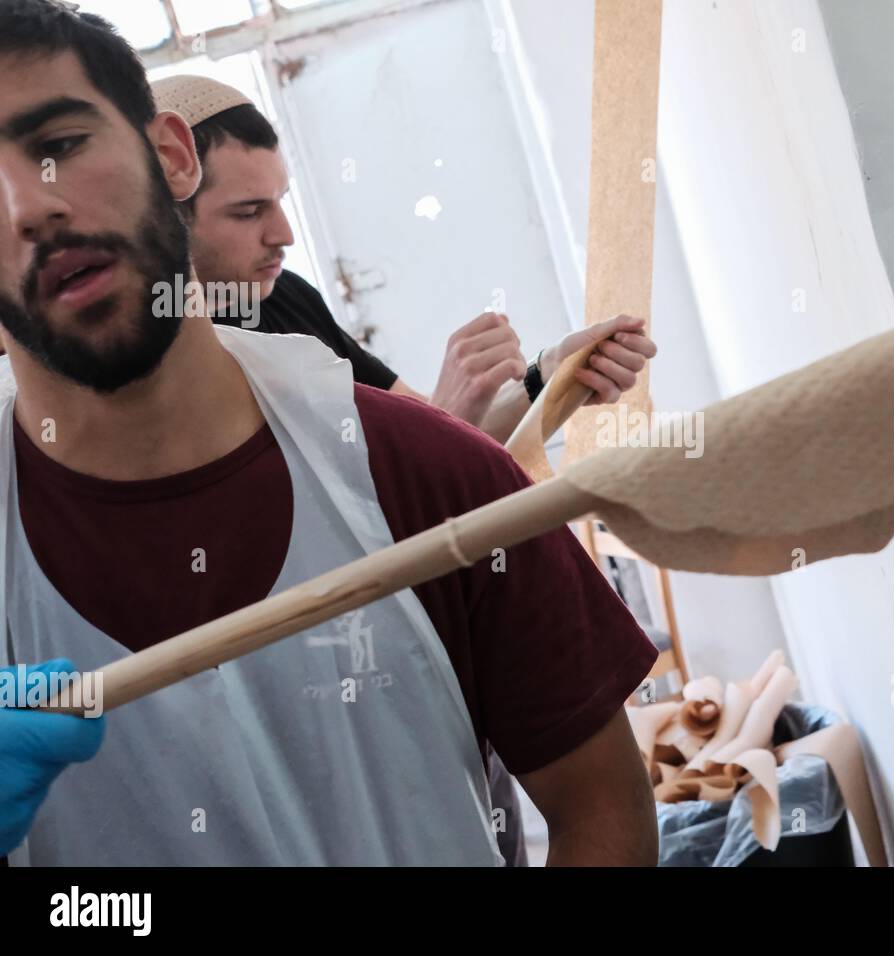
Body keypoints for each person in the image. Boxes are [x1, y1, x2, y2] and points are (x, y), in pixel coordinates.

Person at [0, 0, 659, 865]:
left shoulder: (430, 477)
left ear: (170, 154)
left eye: (60, 145)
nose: (26, 208)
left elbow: (603, 808)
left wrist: (535, 383)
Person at [150, 74, 657, 444]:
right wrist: (447, 415)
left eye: (282, 201)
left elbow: (458, 436)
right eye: (247, 212)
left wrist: (550, 378)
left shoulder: (286, 296)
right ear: (166, 220)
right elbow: (362, 518)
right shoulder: (179, 364)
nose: (283, 236)